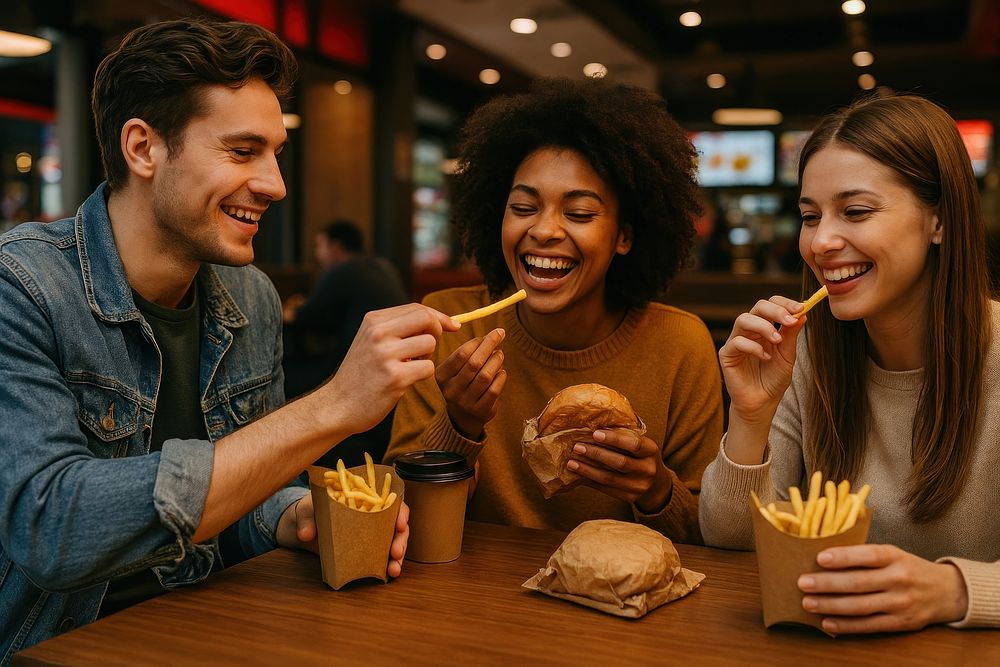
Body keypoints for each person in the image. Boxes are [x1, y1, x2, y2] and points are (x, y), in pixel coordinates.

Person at [0, 18, 456, 661]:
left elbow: (242, 499)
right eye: (243, 152)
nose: (275, 184)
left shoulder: (251, 298)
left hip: (216, 629)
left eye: (274, 153)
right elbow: (50, 530)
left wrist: (293, 515)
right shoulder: (21, 286)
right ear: (143, 149)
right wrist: (332, 406)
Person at [700, 91, 1000, 633]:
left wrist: (951, 591)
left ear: (940, 221)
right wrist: (749, 415)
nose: (822, 242)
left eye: (856, 212)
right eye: (810, 216)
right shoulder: (809, 352)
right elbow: (728, 538)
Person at [385, 77, 724, 542]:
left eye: (580, 214)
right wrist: (460, 424)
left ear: (625, 235)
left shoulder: (681, 345)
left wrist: (655, 489)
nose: (544, 230)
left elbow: (711, 537)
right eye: (523, 207)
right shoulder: (449, 324)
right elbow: (401, 516)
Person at [282, 220, 407, 465]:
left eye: (320, 246)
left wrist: (291, 310)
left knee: (284, 374)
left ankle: (295, 457)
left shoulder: (344, 271)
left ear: (335, 246)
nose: (317, 254)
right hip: (396, 370)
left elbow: (305, 316)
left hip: (364, 370)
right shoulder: (383, 266)